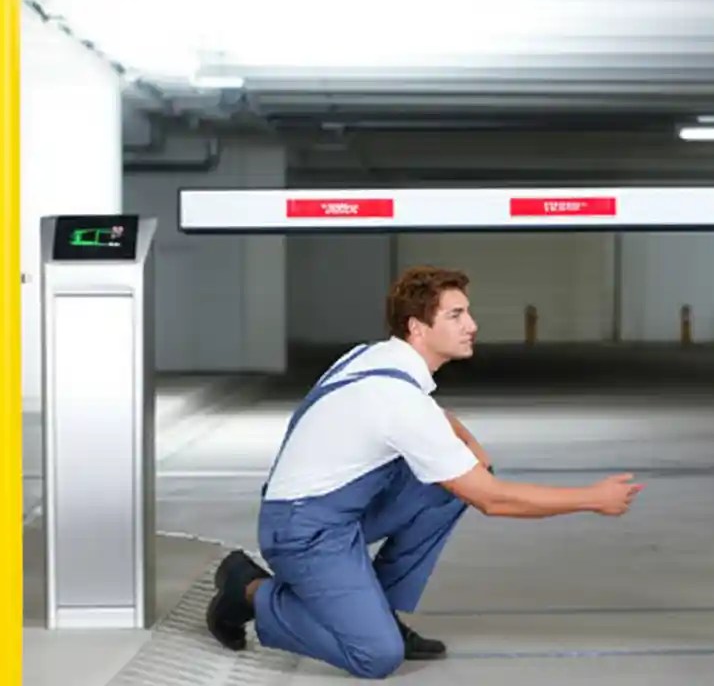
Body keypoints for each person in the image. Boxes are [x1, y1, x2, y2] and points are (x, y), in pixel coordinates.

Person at [205, 265, 645, 678]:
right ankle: (250, 589)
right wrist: (591, 498)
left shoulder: (377, 357)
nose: (471, 325)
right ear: (418, 327)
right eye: (456, 315)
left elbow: (434, 417)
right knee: (375, 656)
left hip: (334, 509)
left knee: (447, 487)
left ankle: (377, 610)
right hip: (303, 531)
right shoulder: (399, 401)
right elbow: (493, 499)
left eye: (467, 312)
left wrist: (471, 448)